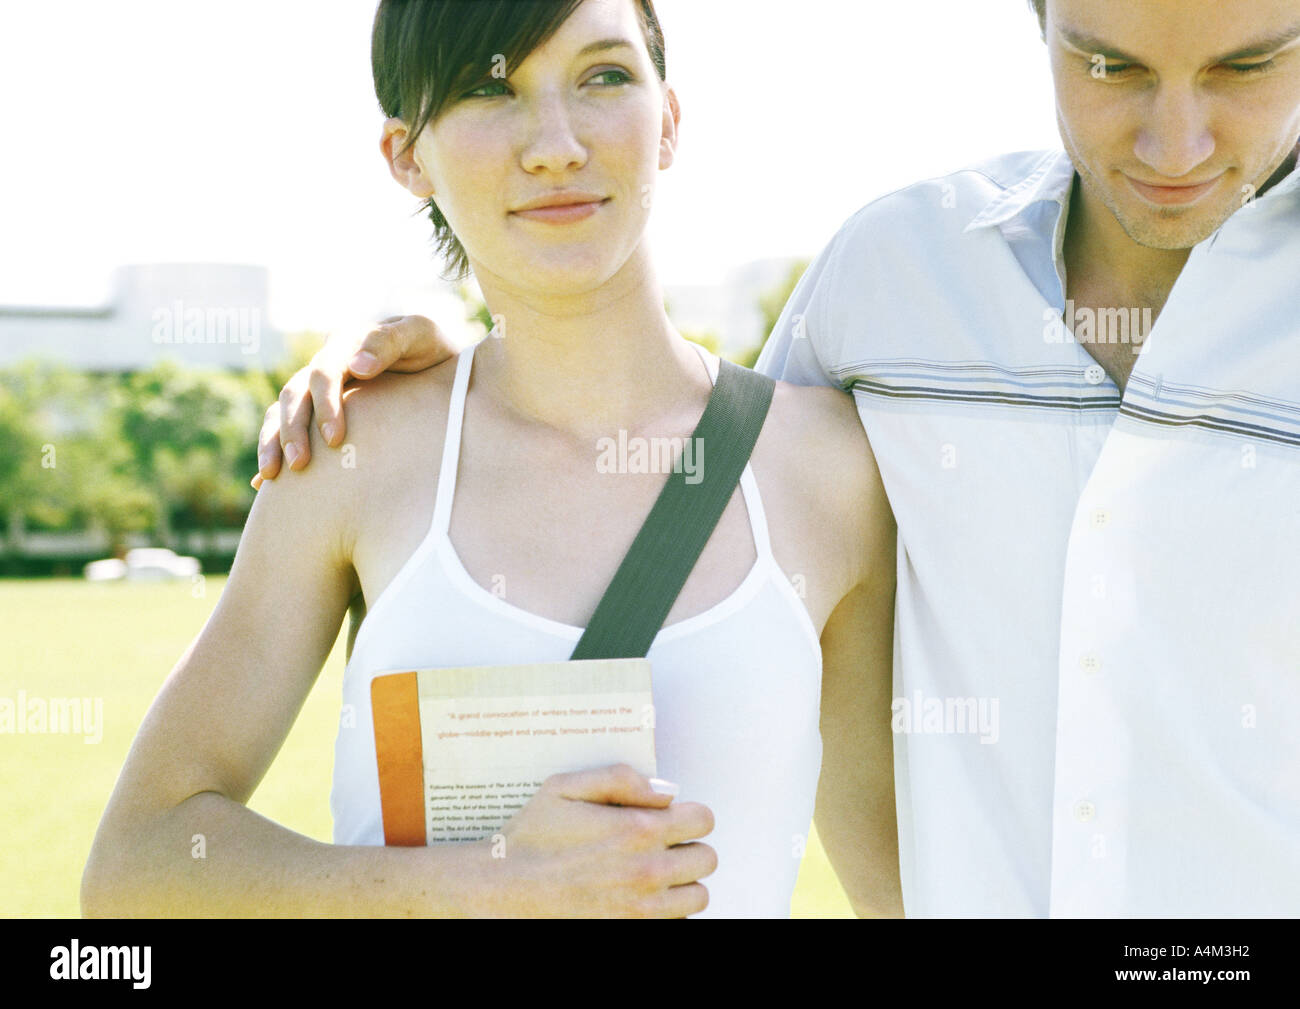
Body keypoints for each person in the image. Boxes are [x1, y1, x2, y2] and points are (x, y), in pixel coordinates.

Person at [259, 0, 1300, 917]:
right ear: (1036, 25)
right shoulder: (894, 277)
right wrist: (457, 356)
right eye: (1108, 64)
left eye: (1246, 67)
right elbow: (685, 441)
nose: (1174, 142)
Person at [81, 0, 900, 918]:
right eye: (486, 87)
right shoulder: (359, 450)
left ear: (667, 120)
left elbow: (896, 881)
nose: (555, 144)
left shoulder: (829, 468)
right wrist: (494, 882)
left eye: (604, 76)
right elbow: (137, 864)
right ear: (406, 156)